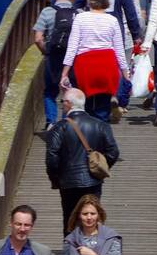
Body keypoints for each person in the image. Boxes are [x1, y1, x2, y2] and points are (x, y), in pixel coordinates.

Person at [46, 87, 120, 234]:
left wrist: (56, 178)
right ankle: (92, 249)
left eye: (62, 101)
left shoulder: (60, 127)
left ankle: (71, 251)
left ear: (68, 103)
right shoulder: (101, 125)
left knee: (69, 218)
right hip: (93, 181)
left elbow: (52, 158)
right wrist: (99, 169)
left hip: (68, 182)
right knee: (91, 217)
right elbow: (113, 152)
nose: (62, 104)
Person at [61, 0, 130, 123]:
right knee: (103, 107)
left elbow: (72, 47)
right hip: (107, 65)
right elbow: (119, 49)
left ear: (89, 0)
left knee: (82, 105)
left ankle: (84, 136)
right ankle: (100, 135)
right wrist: (125, 72)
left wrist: (64, 73)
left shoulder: (80, 18)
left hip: (85, 65)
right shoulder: (112, 20)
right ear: (107, 2)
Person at [32, 0, 75, 129]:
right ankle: (65, 123)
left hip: (53, 56)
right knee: (69, 90)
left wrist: (46, 51)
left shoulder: (47, 12)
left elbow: (38, 38)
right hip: (71, 59)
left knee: (50, 90)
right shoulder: (78, 13)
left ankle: (51, 121)